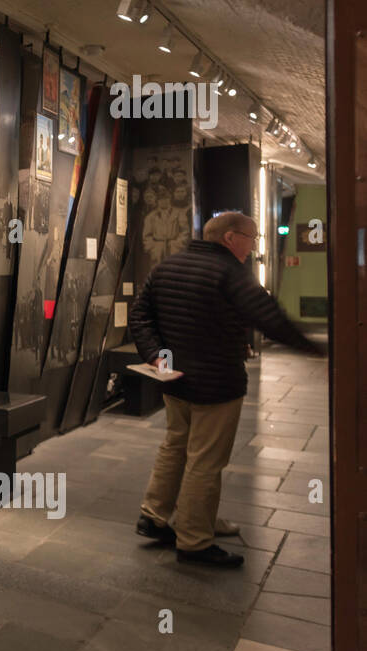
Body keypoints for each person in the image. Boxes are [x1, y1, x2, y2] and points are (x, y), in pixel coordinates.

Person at [129, 211, 324, 568]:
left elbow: (140, 316)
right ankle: (194, 539)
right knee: (205, 460)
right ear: (231, 238)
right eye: (252, 238)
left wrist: (158, 357)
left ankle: (154, 517)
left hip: (174, 381)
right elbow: (270, 318)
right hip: (216, 384)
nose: (253, 247)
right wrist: (315, 350)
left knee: (175, 447)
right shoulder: (230, 273)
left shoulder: (167, 266)